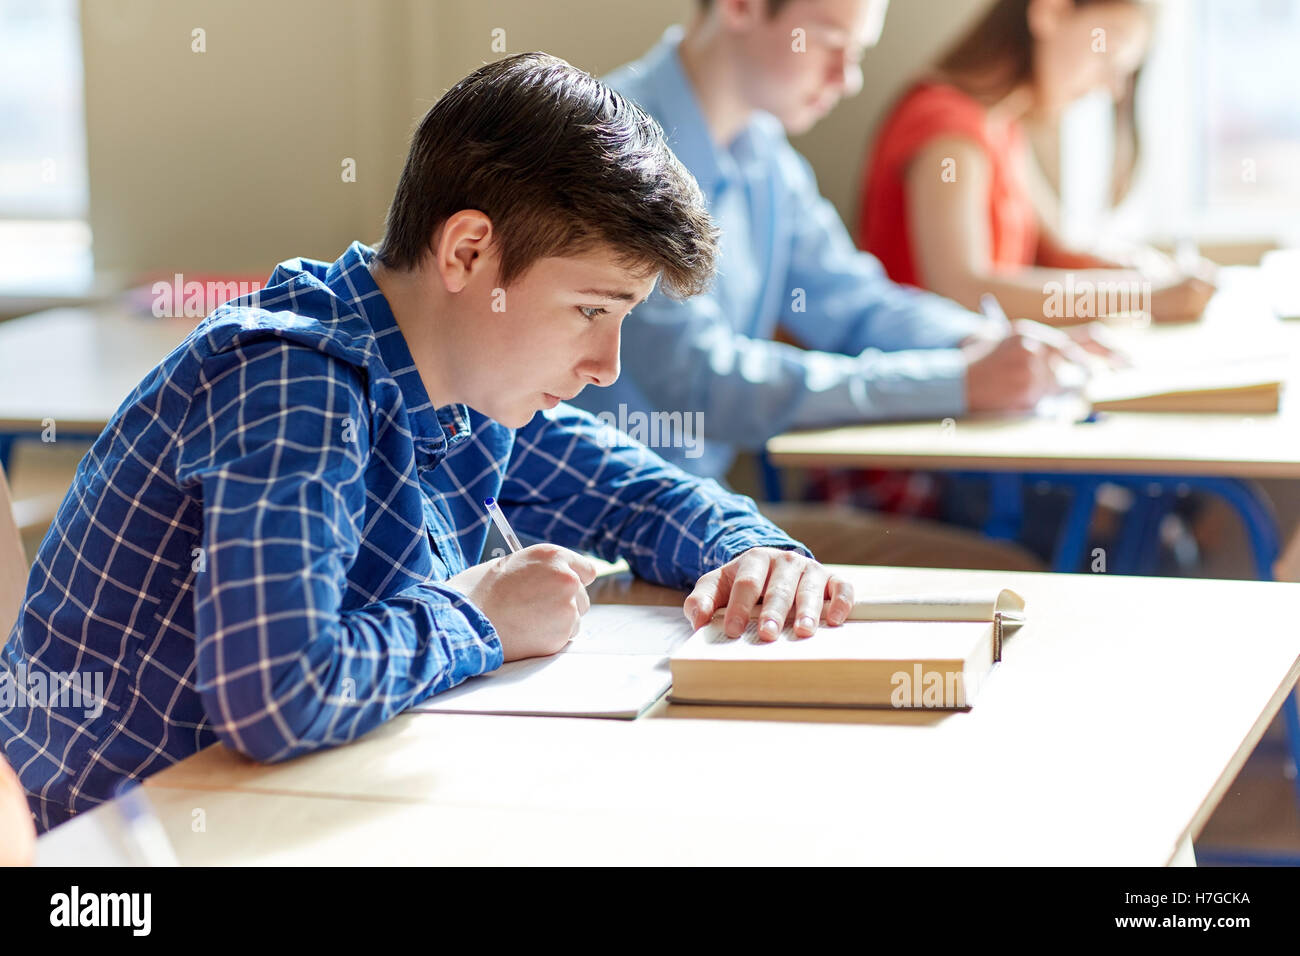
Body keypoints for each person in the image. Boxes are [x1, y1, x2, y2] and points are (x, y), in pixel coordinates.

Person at [0, 53, 854, 832]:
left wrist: (753, 551)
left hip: (266, 818)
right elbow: (277, 696)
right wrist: (481, 614)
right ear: (469, 252)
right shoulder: (297, 382)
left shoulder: (463, 377)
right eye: (592, 311)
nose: (605, 365)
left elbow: (635, 493)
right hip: (107, 855)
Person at [570, 0, 1107, 566]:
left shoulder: (764, 153)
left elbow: (853, 302)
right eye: (830, 42)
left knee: (1006, 572)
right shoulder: (617, 151)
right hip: (605, 536)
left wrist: (980, 343)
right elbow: (704, 385)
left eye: (858, 54)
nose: (848, 79)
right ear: (742, 7)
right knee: (1001, 576)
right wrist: (957, 384)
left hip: (698, 508)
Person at [858, 0, 1217, 324]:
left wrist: (1146, 272)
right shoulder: (948, 130)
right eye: (1108, 55)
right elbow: (962, 291)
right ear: (1051, 11)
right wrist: (1139, 297)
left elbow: (1060, 251)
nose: (1112, 87)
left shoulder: (1003, 126)